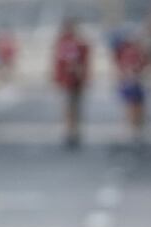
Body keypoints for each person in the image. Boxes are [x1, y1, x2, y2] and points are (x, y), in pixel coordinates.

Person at [52, 18, 91, 149]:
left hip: (74, 80)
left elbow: (83, 61)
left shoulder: (77, 44)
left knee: (73, 107)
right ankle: (70, 131)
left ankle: (73, 131)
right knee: (70, 107)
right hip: (68, 81)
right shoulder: (63, 43)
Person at [112, 27, 151, 143]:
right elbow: (124, 67)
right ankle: (133, 127)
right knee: (131, 105)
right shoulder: (128, 51)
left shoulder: (141, 51)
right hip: (130, 82)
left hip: (138, 81)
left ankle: (138, 126)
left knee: (139, 105)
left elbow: (146, 65)